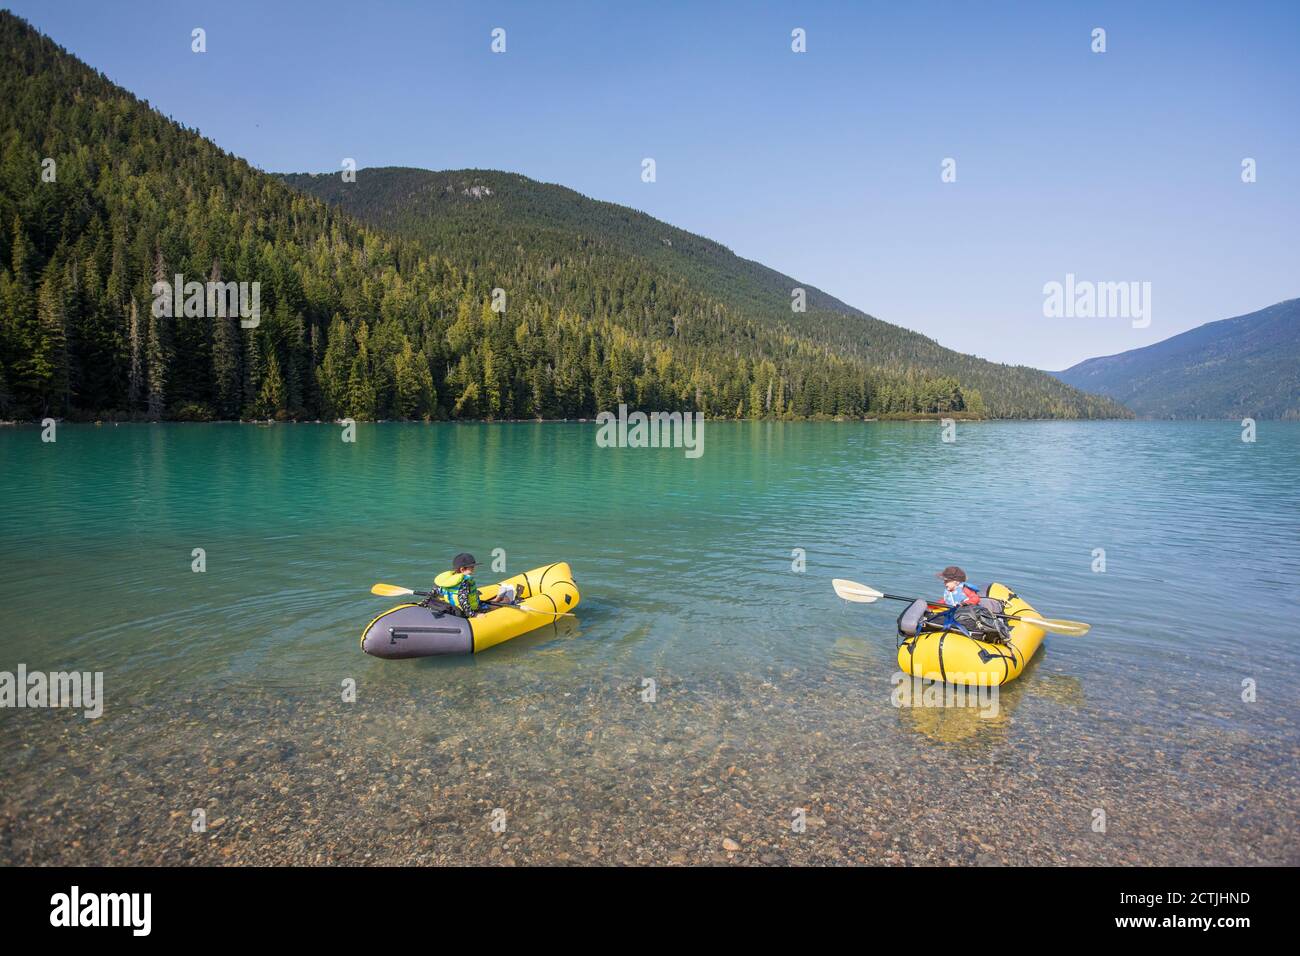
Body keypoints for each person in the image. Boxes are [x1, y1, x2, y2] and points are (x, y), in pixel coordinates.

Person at [431, 553, 515, 617]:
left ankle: (498, 598)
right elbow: (463, 600)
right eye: (471, 567)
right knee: (503, 603)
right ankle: (507, 597)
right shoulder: (465, 582)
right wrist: (474, 615)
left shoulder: (447, 580)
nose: (474, 569)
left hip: (453, 608)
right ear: (462, 569)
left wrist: (425, 603)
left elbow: (434, 592)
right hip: (467, 611)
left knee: (487, 603)